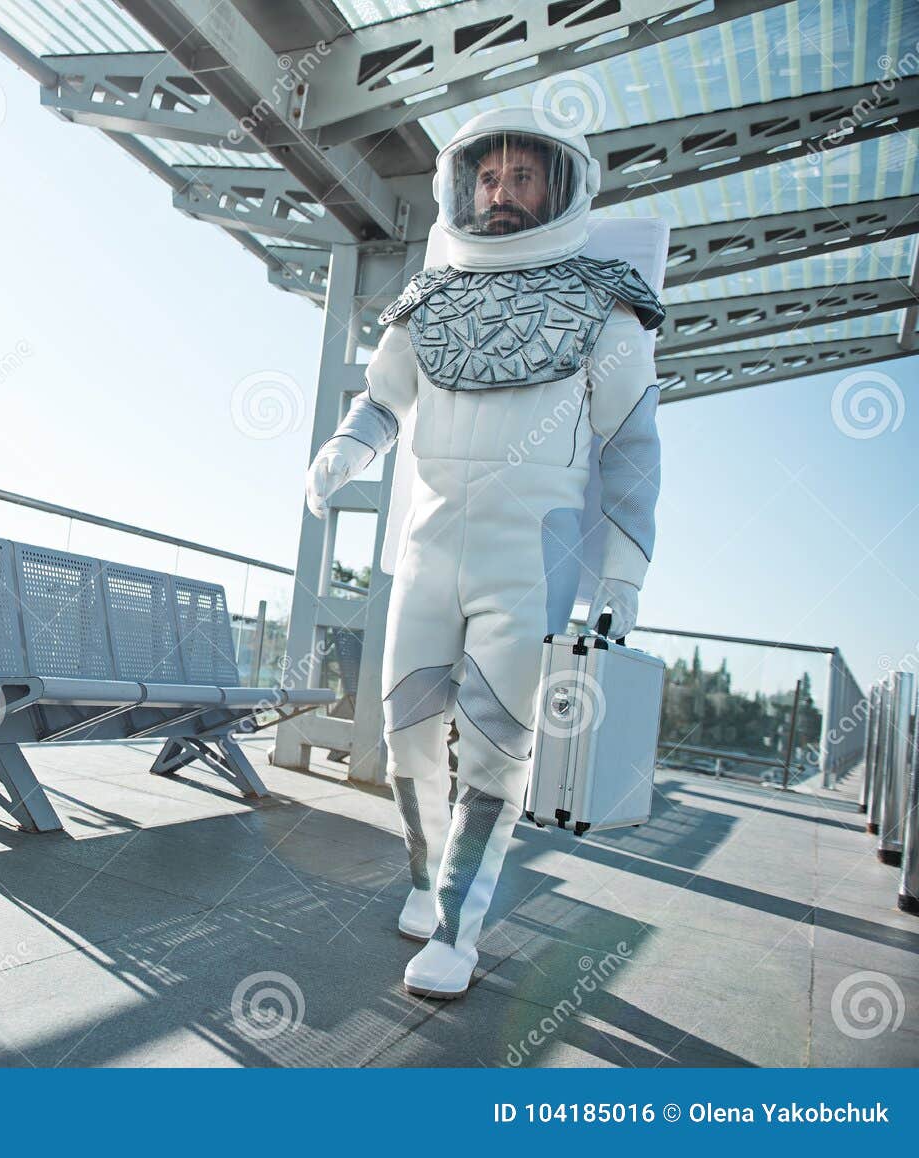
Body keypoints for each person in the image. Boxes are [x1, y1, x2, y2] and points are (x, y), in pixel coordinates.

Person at [304, 107, 666, 999]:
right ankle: (425, 879)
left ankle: (457, 931)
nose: (502, 192)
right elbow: (382, 400)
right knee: (405, 736)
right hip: (428, 552)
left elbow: (631, 450)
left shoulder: (607, 306)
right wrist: (345, 450)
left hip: (529, 565)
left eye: (522, 177)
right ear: (465, 188)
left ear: (559, 187)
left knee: (497, 747)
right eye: (490, 177)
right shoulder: (427, 298)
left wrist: (623, 575)